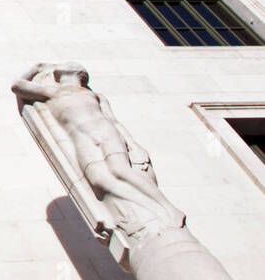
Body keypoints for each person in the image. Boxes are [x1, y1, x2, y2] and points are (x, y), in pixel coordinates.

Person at [12, 62, 184, 231]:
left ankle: (169, 208)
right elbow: (17, 85)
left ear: (78, 73)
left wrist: (134, 146)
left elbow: (114, 121)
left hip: (105, 131)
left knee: (120, 170)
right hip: (81, 138)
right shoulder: (54, 91)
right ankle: (151, 207)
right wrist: (37, 67)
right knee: (98, 180)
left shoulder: (94, 95)